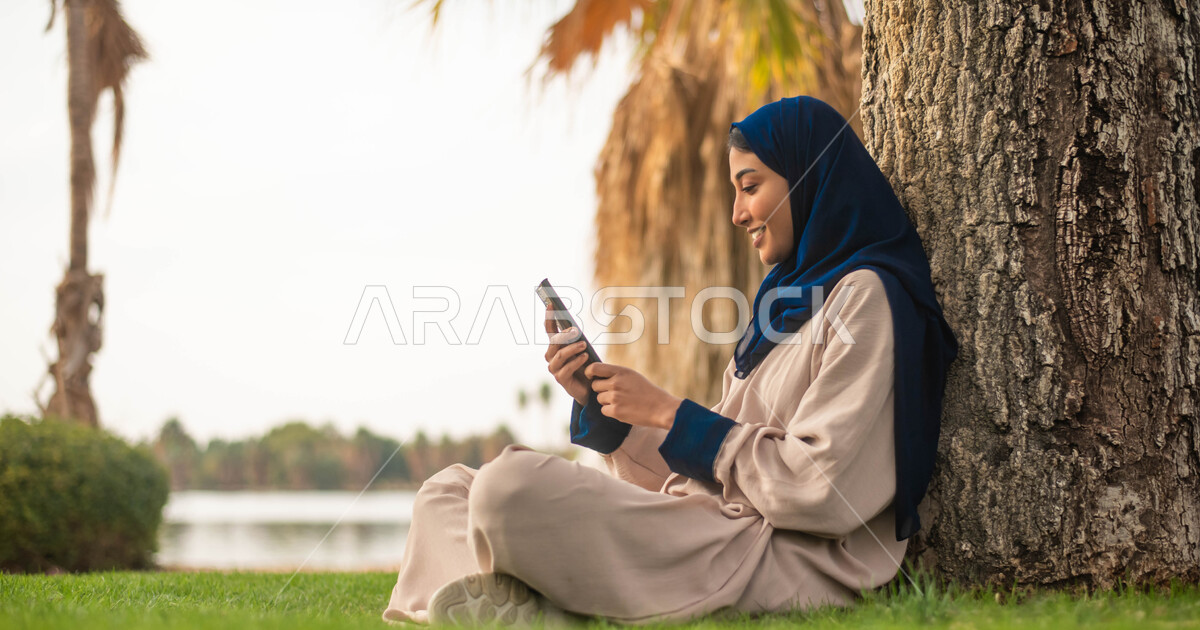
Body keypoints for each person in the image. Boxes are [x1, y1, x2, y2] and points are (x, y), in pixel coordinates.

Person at [381, 95, 959, 627]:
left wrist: (672, 413)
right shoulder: (781, 306)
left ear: (811, 181)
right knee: (447, 491)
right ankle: (527, 612)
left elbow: (823, 492)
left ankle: (519, 606)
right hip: (707, 526)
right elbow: (705, 470)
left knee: (508, 487)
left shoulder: (866, 297)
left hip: (776, 552)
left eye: (750, 186)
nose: (737, 213)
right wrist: (609, 415)